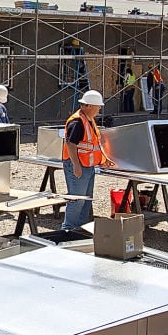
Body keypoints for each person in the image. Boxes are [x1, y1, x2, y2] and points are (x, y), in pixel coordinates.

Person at [61, 90, 114, 231]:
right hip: (79, 166)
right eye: (98, 106)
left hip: (87, 166)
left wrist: (102, 160)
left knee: (86, 200)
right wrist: (76, 166)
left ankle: (80, 229)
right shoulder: (77, 121)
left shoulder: (88, 120)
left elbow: (93, 145)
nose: (100, 108)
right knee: (77, 200)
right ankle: (68, 230)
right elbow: (70, 144)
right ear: (89, 106)